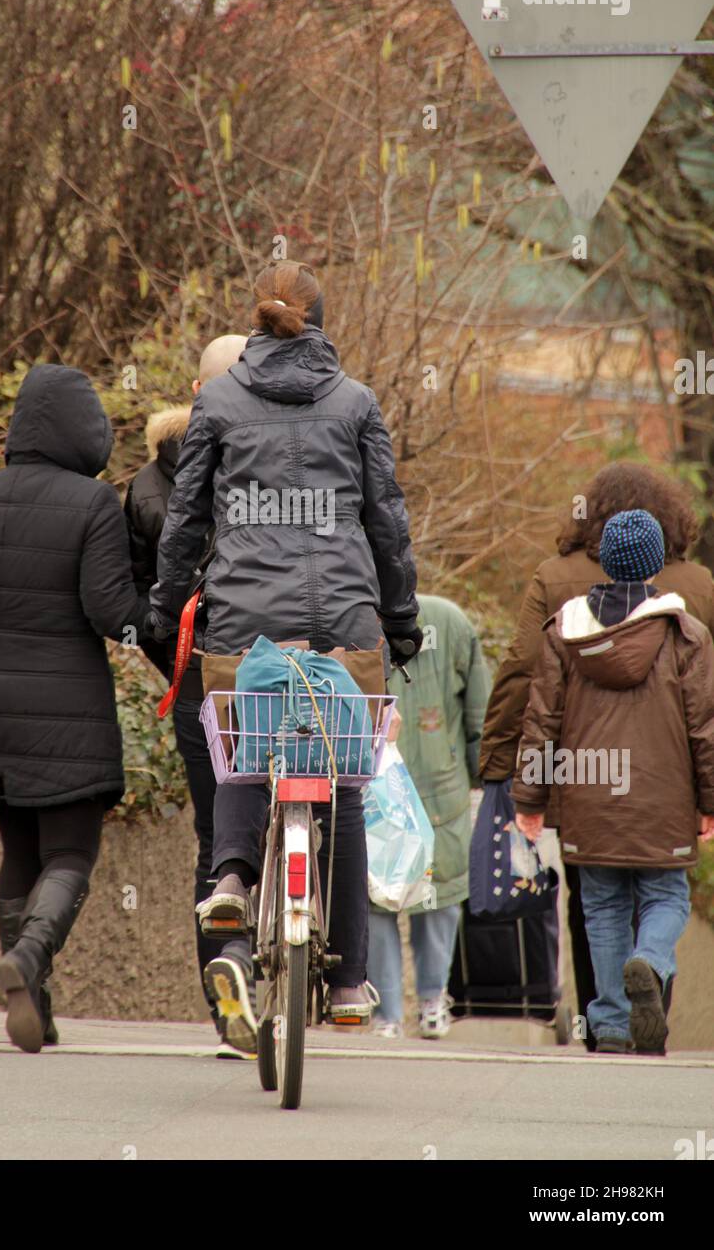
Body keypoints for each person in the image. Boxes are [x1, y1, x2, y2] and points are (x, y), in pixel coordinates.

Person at [143, 260, 421, 1053]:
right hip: (345, 619)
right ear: (320, 322)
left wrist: (165, 608)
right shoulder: (357, 402)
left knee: (245, 756)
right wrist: (399, 622)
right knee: (345, 784)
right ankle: (348, 981)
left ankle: (233, 880)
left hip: (243, 618)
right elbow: (387, 523)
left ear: (256, 321)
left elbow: (185, 520)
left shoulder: (220, 401)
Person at [0, 364, 145, 1054]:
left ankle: (36, 1006)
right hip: (69, 708)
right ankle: (27, 959)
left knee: (19, 851)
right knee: (71, 851)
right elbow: (110, 612)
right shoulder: (93, 503)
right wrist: (161, 618)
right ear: (85, 430)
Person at [478, 461, 714, 1049]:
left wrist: (515, 781)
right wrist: (710, 797)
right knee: (663, 895)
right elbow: (704, 720)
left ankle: (607, 1025)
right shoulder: (694, 605)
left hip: (585, 789)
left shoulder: (561, 601)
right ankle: (651, 984)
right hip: (666, 791)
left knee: (598, 905)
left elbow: (528, 692)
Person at [124, 334, 248, 1057]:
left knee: (216, 836)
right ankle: (281, 965)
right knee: (289, 813)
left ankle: (229, 1001)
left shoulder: (146, 484)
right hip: (273, 668)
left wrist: (177, 662)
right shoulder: (288, 459)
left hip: (200, 674)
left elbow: (146, 603)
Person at [368, 594, 491, 1039]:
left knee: (376, 897)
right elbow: (480, 713)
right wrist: (482, 775)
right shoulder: (450, 620)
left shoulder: (354, 615)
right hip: (442, 785)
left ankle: (386, 1016)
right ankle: (433, 1002)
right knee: (437, 895)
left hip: (374, 781)